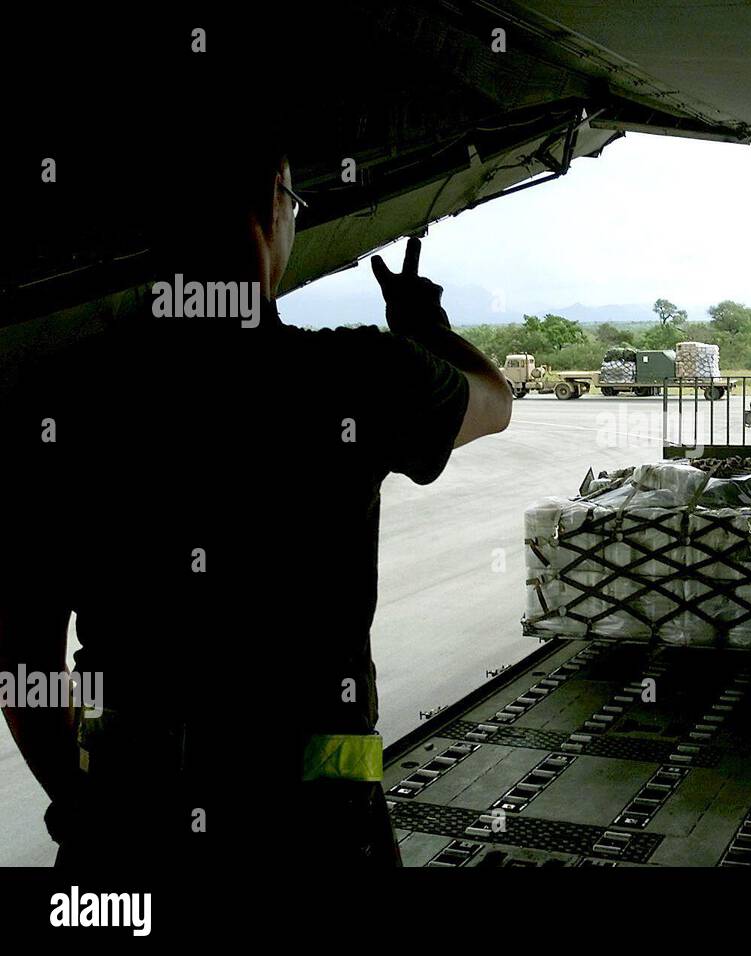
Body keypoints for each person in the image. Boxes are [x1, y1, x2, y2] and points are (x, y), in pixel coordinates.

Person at [0, 139, 513, 867]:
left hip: (135, 813)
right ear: (275, 198)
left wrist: (77, 799)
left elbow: (23, 653)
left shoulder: (61, 398)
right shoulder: (358, 374)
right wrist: (422, 325)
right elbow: (495, 403)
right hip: (318, 822)